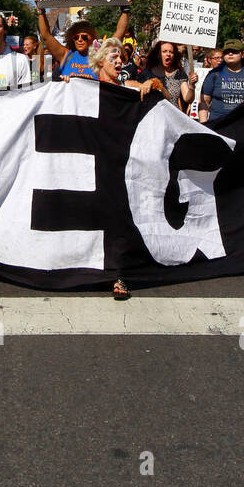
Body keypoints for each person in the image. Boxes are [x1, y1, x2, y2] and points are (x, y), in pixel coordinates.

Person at [89, 36, 153, 301]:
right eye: (112, 57)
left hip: (121, 163)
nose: (118, 61)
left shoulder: (128, 86)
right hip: (93, 162)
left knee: (119, 216)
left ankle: (118, 275)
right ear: (100, 61)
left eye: (120, 58)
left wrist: (152, 83)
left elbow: (153, 90)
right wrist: (67, 86)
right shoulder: (86, 89)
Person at [32, 0, 133, 80]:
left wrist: (125, 9)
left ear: (92, 38)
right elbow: (46, 36)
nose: (79, 39)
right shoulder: (66, 55)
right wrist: (41, 9)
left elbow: (119, 33)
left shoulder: (100, 57)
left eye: (84, 37)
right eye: (76, 37)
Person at [199, 40, 244, 124]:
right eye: (227, 52)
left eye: (234, 51)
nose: (230, 54)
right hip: (219, 125)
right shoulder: (214, 74)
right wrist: (204, 124)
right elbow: (204, 101)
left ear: (242, 54)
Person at [138, 40, 195, 112]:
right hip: (152, 116)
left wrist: (192, 85)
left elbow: (188, 99)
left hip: (172, 117)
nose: (168, 54)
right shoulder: (147, 73)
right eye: (164, 51)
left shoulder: (179, 74)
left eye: (171, 52)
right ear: (158, 54)